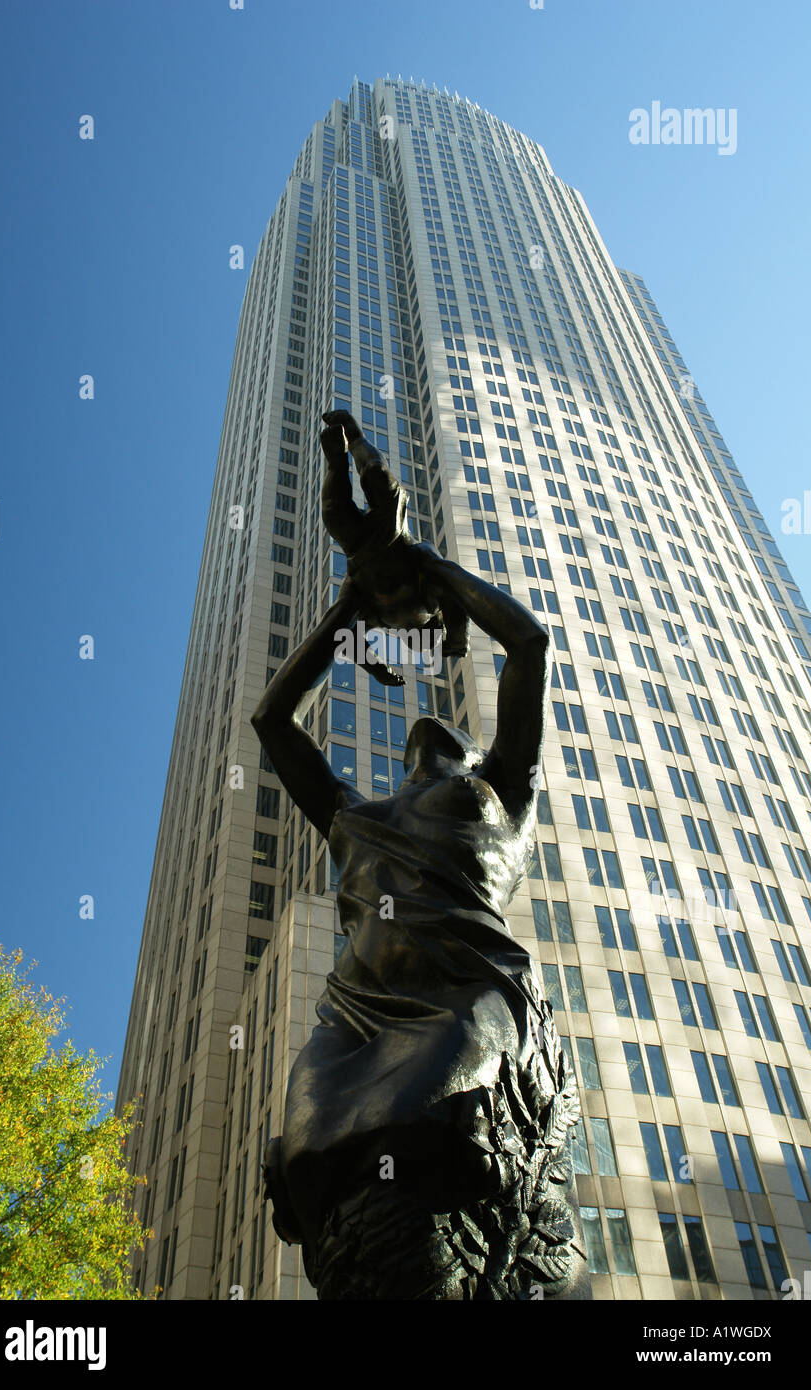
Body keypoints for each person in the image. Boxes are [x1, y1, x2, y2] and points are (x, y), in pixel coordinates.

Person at [251, 458, 586, 1301]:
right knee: (300, 1147)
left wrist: (421, 561)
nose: (433, 736)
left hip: (462, 993)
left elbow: (529, 645)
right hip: (355, 1012)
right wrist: (354, 606)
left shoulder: (499, 795)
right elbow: (272, 721)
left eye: (457, 745)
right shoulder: (355, 818)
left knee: (429, 1104)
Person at [320, 409, 469, 680]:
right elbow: (458, 598)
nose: (417, 638)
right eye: (428, 637)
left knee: (333, 511)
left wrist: (379, 670)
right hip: (391, 529)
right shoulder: (431, 593)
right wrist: (458, 639)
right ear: (435, 620)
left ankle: (337, 461)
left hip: (360, 553)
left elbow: (347, 638)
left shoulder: (379, 617)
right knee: (376, 474)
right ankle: (355, 438)